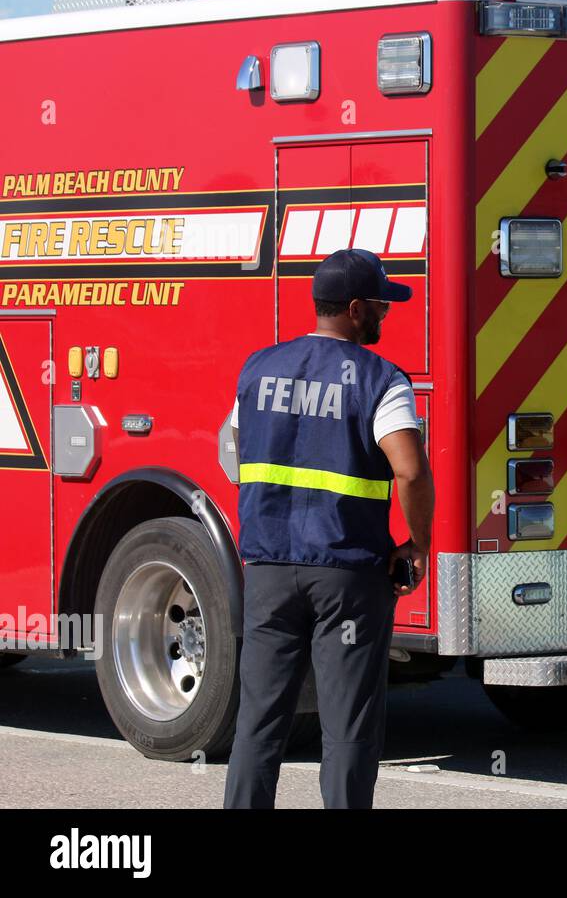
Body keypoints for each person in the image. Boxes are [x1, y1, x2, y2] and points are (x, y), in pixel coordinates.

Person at [223, 248, 434, 809]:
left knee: (259, 722)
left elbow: (233, 455)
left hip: (267, 570)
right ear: (357, 309)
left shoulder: (258, 367)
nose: (386, 315)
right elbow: (409, 470)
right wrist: (418, 543)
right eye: (382, 305)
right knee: (347, 727)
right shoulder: (380, 379)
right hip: (346, 576)